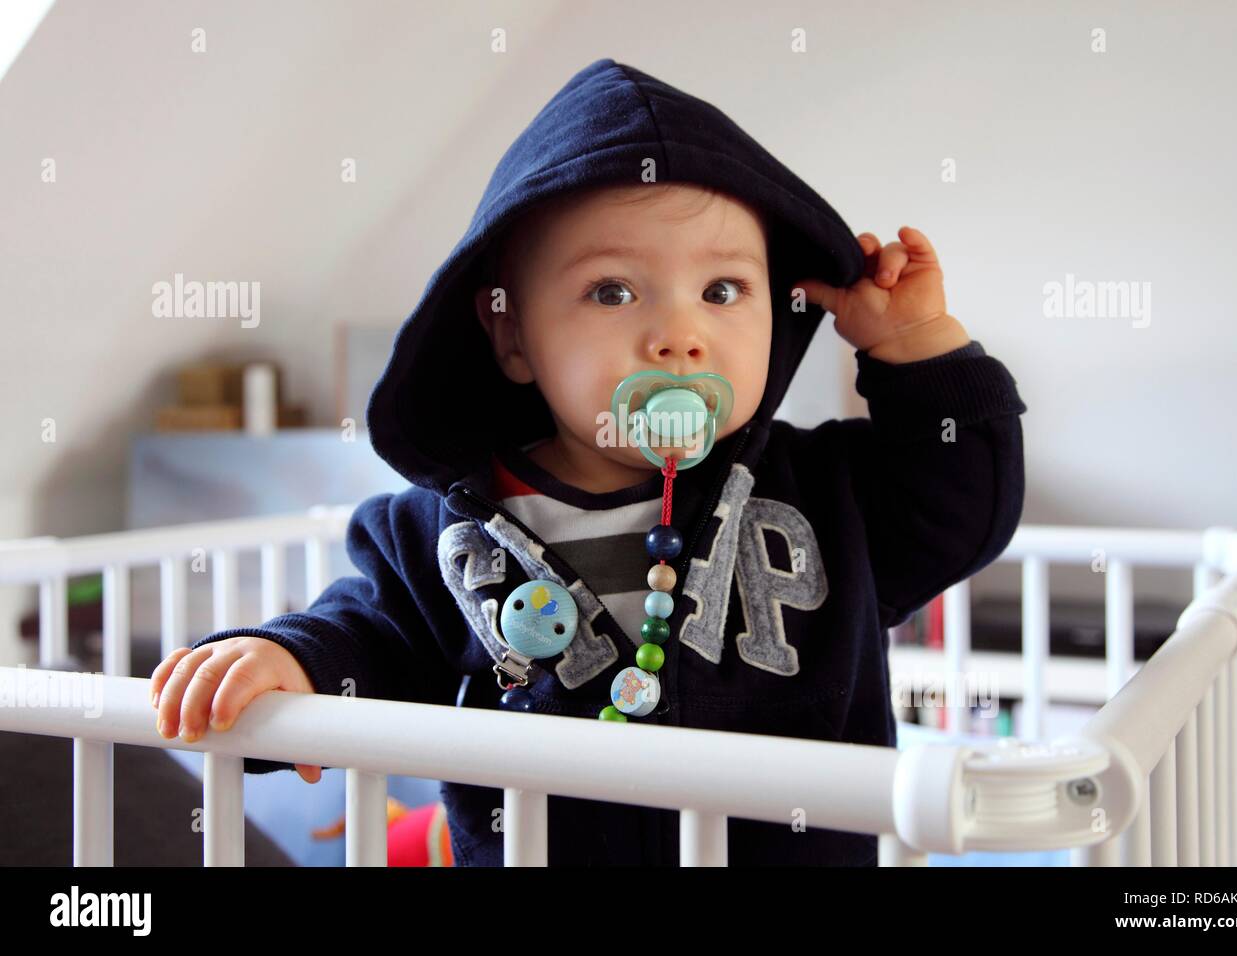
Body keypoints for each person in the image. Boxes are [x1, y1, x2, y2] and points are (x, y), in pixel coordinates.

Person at [151, 57, 1027, 865]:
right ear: (512, 335)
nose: (680, 335)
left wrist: (917, 349)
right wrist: (289, 662)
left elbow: (964, 509)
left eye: (723, 290)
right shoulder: (440, 531)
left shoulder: (829, 493)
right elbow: (369, 637)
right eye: (612, 291)